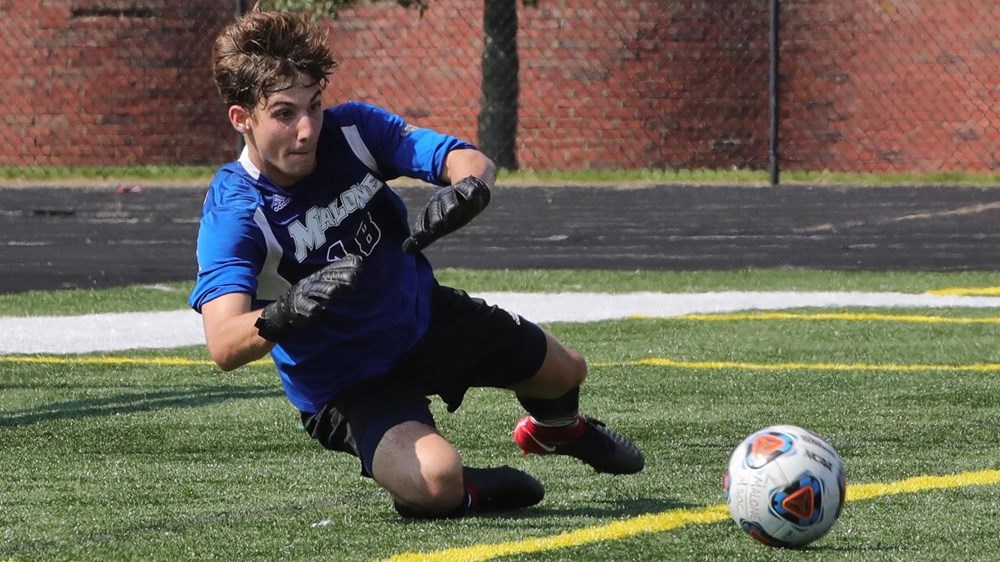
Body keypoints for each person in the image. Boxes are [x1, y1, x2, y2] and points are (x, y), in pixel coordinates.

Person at [189, 7, 644, 519]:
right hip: (347, 382)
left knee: (567, 371)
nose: (307, 129)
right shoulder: (234, 210)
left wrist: (471, 189)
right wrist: (286, 311)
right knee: (435, 482)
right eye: (284, 113)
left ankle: (560, 432)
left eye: (314, 105)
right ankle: (471, 491)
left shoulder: (354, 132)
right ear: (241, 118)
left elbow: (466, 159)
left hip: (423, 319)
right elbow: (223, 343)